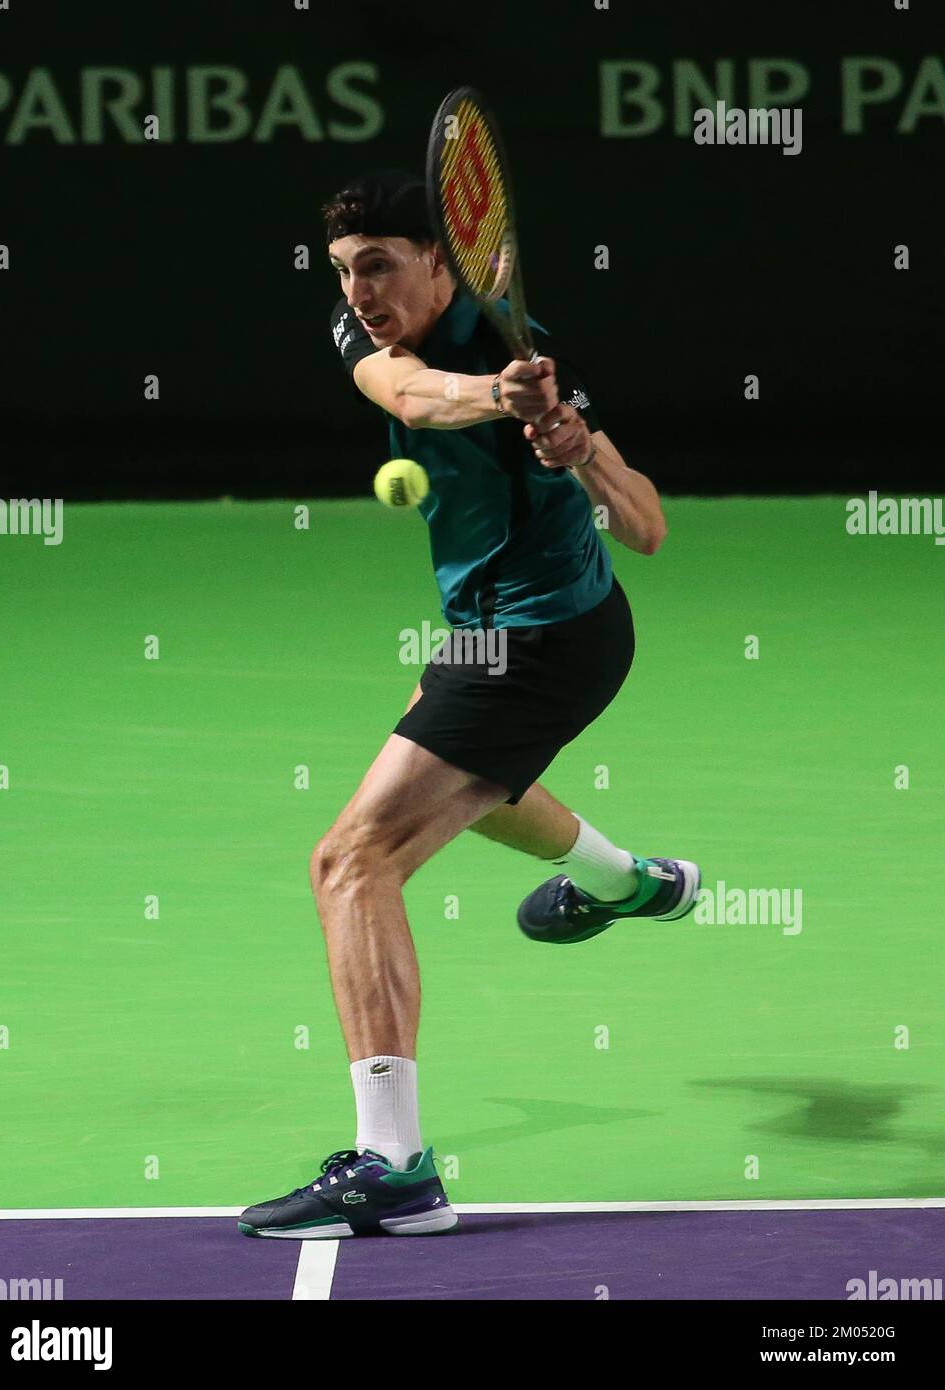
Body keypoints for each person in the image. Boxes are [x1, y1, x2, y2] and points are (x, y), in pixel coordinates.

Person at [238, 170, 701, 1240]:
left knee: (351, 860)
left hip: (542, 643)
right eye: (345, 269)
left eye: (381, 264)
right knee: (481, 793)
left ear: (443, 261)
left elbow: (648, 528)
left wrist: (577, 446)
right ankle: (627, 883)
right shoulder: (399, 346)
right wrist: (504, 397)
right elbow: (411, 395)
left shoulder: (539, 355)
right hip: (496, 634)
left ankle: (395, 1169)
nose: (359, 290)